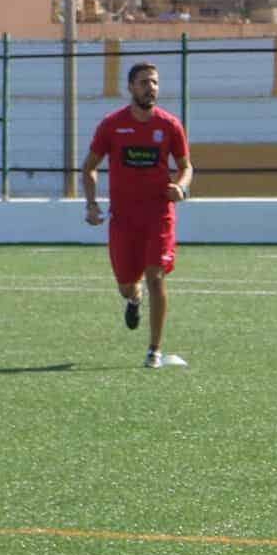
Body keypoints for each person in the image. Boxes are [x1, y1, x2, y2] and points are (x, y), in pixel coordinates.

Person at [80, 61, 193, 369]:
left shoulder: (169, 125)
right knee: (127, 284)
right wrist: (91, 204)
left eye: (154, 82)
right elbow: (89, 167)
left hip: (159, 216)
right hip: (123, 220)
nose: (150, 87)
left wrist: (181, 188)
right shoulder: (112, 125)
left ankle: (153, 350)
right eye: (143, 82)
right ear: (130, 87)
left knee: (156, 276)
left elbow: (186, 166)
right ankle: (133, 299)